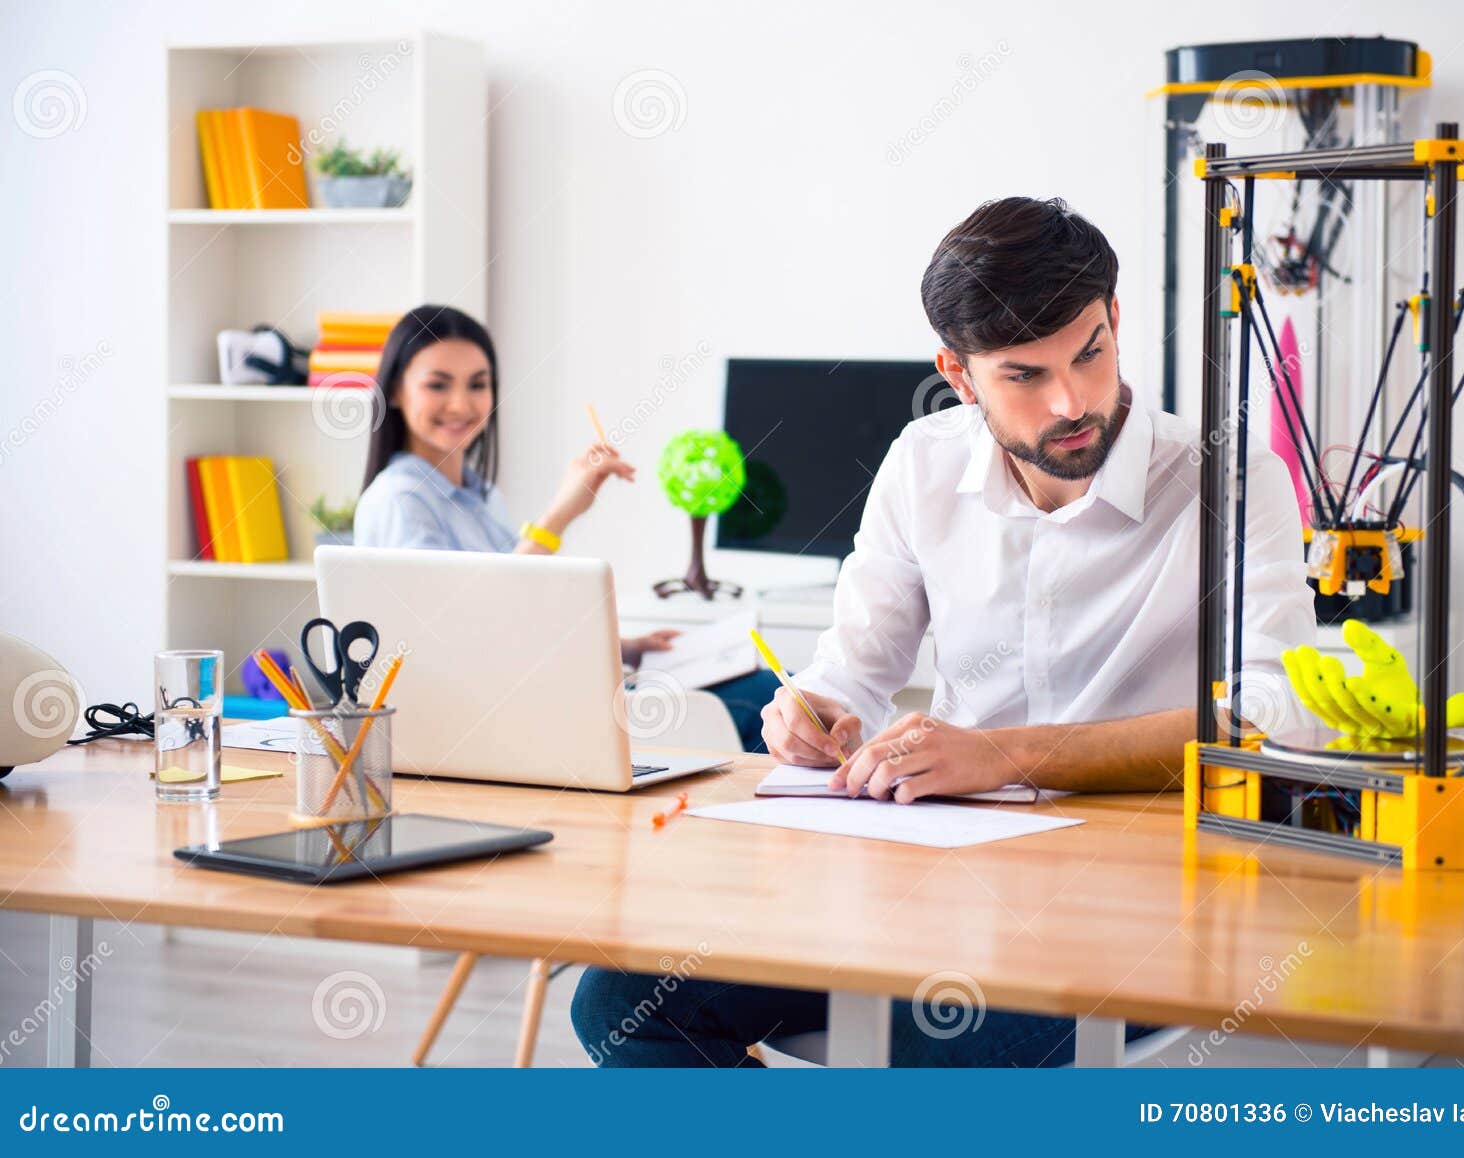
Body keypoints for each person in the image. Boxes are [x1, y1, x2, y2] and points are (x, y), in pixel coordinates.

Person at [571, 197, 1315, 1066]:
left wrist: (1004, 756)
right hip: (936, 878)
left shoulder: (1228, 478)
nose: (1073, 401)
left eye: (1090, 354)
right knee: (622, 1001)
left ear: (1116, 321)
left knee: (931, 1054)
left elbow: (1274, 714)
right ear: (958, 375)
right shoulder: (924, 462)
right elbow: (851, 671)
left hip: (1136, 905)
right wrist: (809, 712)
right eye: (1023, 376)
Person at [353, 304, 778, 750]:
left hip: (540, 692)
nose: (461, 404)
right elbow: (468, 630)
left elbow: (520, 622)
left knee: (764, 686)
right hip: (506, 718)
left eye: (478, 385)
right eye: (438, 385)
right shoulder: (402, 500)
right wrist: (559, 514)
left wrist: (625, 649)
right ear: (396, 391)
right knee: (765, 703)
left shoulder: (480, 497)